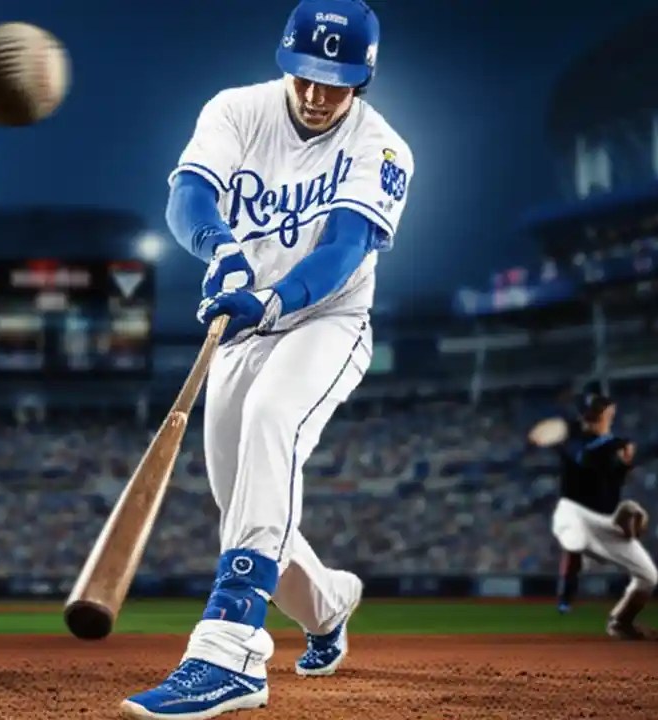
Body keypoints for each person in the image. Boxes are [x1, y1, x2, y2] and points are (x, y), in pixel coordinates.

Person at [121, 1, 414, 716]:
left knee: (270, 420)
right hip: (241, 329)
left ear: (362, 80)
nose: (314, 94)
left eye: (333, 83)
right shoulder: (237, 110)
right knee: (242, 494)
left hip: (326, 321)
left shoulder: (383, 149)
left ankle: (231, 651)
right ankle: (328, 605)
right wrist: (220, 248)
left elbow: (344, 249)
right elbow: (190, 196)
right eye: (304, 75)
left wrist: (273, 300)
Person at [527, 386, 658, 639]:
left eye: (600, 410)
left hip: (604, 520)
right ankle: (566, 595)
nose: (595, 416)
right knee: (574, 539)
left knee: (649, 576)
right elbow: (584, 456)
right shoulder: (575, 440)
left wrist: (623, 465)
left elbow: (612, 474)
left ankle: (621, 622)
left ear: (609, 413)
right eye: (591, 411)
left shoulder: (614, 445)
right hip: (573, 512)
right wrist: (614, 446)